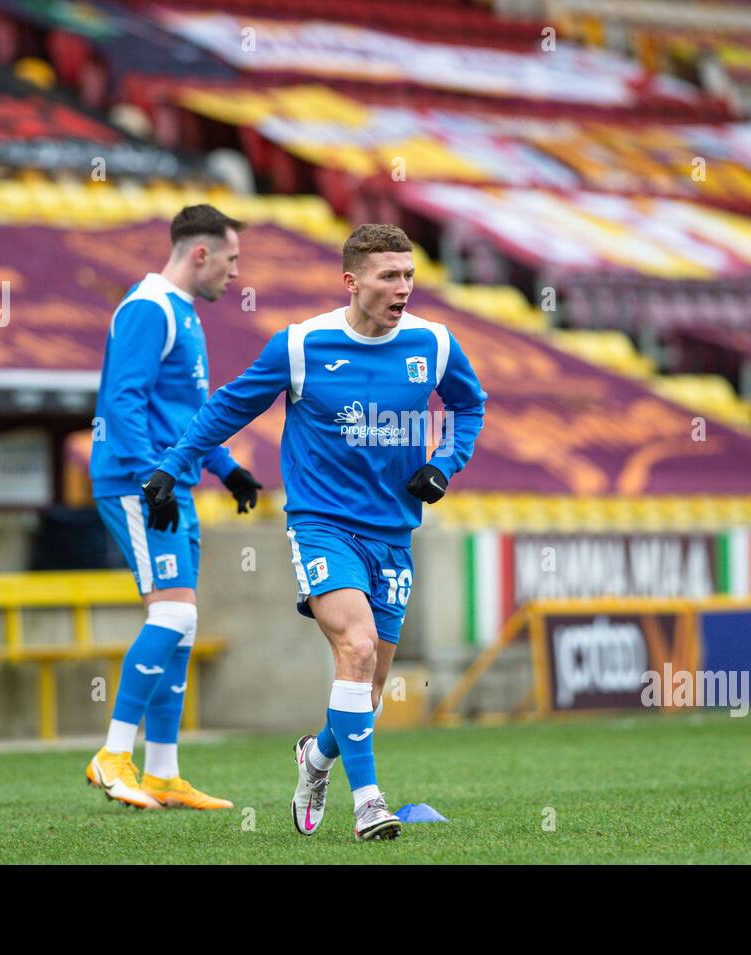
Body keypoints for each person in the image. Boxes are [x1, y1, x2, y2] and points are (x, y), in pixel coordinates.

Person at [143, 223, 487, 840]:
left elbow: (470, 404)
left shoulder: (434, 345)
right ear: (352, 281)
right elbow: (230, 404)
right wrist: (173, 464)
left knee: (371, 685)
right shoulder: (302, 345)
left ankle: (317, 757)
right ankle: (370, 804)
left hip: (394, 534)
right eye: (389, 275)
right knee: (354, 650)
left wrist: (444, 462)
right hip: (322, 526)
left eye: (409, 274)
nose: (403, 287)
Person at [85, 204, 262, 811]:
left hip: (171, 482)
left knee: (182, 629)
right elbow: (123, 403)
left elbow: (186, 415)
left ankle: (162, 770)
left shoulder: (182, 314)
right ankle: (112, 755)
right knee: (174, 619)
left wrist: (226, 467)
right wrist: (150, 479)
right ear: (201, 253)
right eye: (232, 259)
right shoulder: (147, 309)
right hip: (138, 483)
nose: (236, 274)